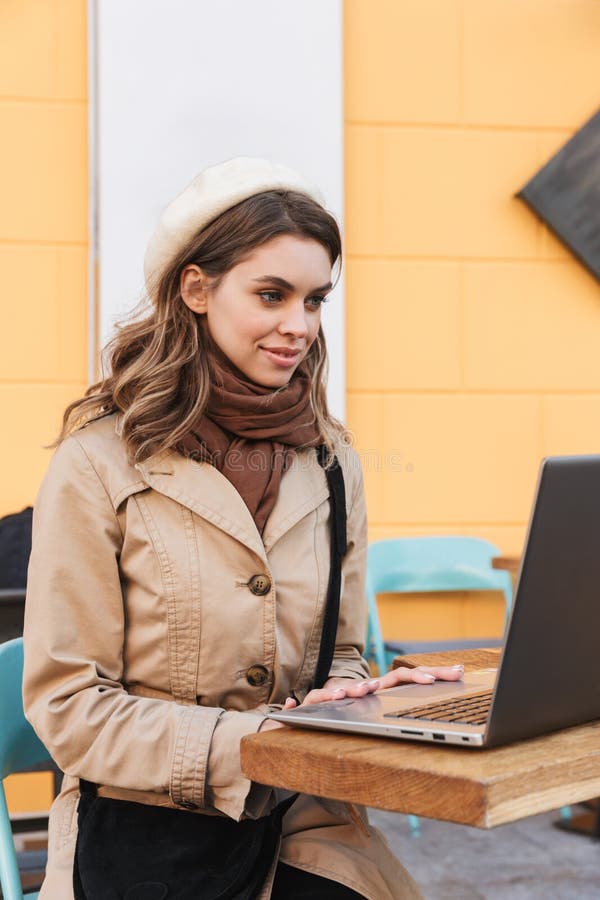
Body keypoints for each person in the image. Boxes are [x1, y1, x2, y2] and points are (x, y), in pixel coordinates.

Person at [22, 157, 463, 899]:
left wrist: (370, 705)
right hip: (145, 836)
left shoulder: (331, 461)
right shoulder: (96, 463)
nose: (299, 325)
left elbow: (343, 653)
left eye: (315, 300)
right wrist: (256, 745)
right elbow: (70, 710)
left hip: (298, 824)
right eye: (272, 294)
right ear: (197, 289)